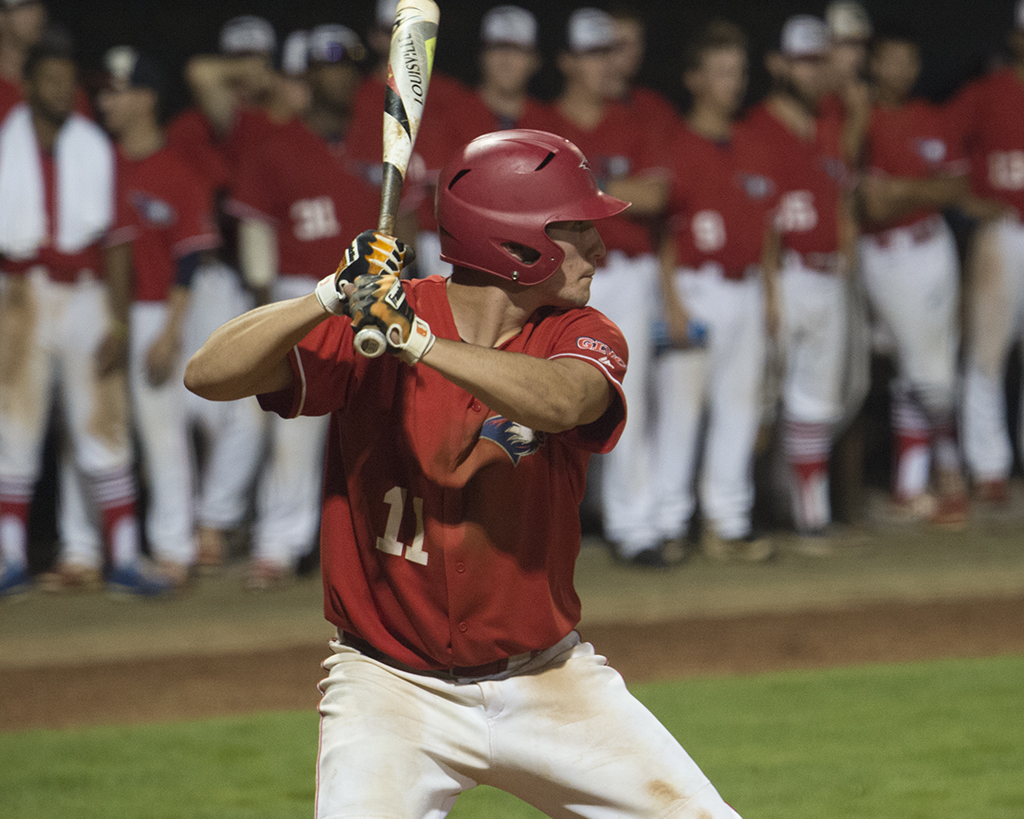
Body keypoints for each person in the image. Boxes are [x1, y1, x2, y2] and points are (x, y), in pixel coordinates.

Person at [185, 127, 743, 819]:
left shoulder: (579, 331)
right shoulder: (382, 320)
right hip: (390, 689)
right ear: (513, 242)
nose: (600, 246)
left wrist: (419, 342)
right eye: (575, 228)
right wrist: (327, 294)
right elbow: (207, 373)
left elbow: (564, 399)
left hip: (547, 681)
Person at [0, 41, 169, 597]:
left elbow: (118, 242)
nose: (59, 91)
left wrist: (118, 324)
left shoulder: (93, 145)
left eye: (66, 81)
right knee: (13, 428)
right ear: (27, 85)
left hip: (85, 291)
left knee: (103, 423)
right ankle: (9, 559)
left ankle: (122, 557)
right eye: (48, 80)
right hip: (20, 289)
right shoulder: (8, 138)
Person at [226, 23, 377, 588]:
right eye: (327, 66)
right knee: (295, 430)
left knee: (375, 427)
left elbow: (406, 218)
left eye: (348, 66)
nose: (339, 76)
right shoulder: (276, 144)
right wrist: (270, 314)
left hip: (370, 295)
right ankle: (278, 545)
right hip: (301, 294)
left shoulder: (378, 139)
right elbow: (256, 235)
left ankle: (372, 550)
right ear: (308, 75)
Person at [520, 7, 670, 565]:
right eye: (593, 53)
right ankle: (536, 525)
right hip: (552, 276)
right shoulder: (535, 120)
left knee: (629, 398)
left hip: (626, 272)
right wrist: (602, 186)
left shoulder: (636, 118)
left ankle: (636, 528)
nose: (607, 63)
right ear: (566, 61)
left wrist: (570, 182)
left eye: (611, 51)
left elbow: (655, 197)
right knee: (537, 399)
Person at [654, 20, 776, 563]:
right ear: (695, 79)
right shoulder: (675, 145)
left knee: (739, 408)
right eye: (722, 72)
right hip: (694, 287)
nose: (734, 82)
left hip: (745, 287)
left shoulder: (754, 142)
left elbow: (768, 228)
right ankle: (669, 522)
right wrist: (670, 299)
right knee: (681, 412)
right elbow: (661, 232)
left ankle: (727, 523)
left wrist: (771, 293)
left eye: (739, 71)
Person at [98, 46, 220, 584]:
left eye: (118, 90)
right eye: (105, 90)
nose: (106, 100)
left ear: (146, 98)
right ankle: (93, 549)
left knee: (162, 434)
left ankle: (175, 548)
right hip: (103, 310)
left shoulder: (174, 169)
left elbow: (190, 257)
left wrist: (171, 332)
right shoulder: (98, 162)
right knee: (103, 431)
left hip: (157, 311)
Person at [165, 14, 280, 569]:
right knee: (190, 410)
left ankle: (214, 525)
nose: (245, 79)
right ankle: (190, 528)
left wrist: (265, 82)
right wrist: (247, 73)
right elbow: (203, 73)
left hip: (247, 279)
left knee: (244, 412)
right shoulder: (199, 124)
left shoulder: (267, 124)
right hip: (195, 276)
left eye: (258, 62)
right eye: (241, 63)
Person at [746, 16, 858, 549]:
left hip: (827, 276)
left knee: (816, 402)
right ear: (778, 63)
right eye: (803, 59)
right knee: (758, 403)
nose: (814, 71)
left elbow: (844, 195)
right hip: (781, 276)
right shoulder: (757, 129)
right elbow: (761, 223)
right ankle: (737, 516)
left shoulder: (833, 121)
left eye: (821, 59)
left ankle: (810, 518)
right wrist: (768, 292)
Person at [858, 27, 972, 525]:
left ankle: (913, 484)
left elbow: (958, 187)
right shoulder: (863, 119)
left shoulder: (932, 116)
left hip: (933, 245)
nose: (901, 70)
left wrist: (904, 191)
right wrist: (924, 189)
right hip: (887, 253)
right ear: (875, 65)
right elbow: (871, 203)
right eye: (891, 60)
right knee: (930, 371)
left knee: (924, 366)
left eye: (910, 60)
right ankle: (945, 473)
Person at [949, 0, 1024, 507]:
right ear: (1017, 38)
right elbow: (934, 149)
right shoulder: (985, 94)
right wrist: (965, 198)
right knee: (987, 354)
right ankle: (988, 466)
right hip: (1005, 235)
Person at [459, 5, 544, 139]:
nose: (506, 59)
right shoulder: (452, 115)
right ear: (481, 55)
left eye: (518, 49)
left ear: (535, 61)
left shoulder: (550, 125)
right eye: (497, 47)